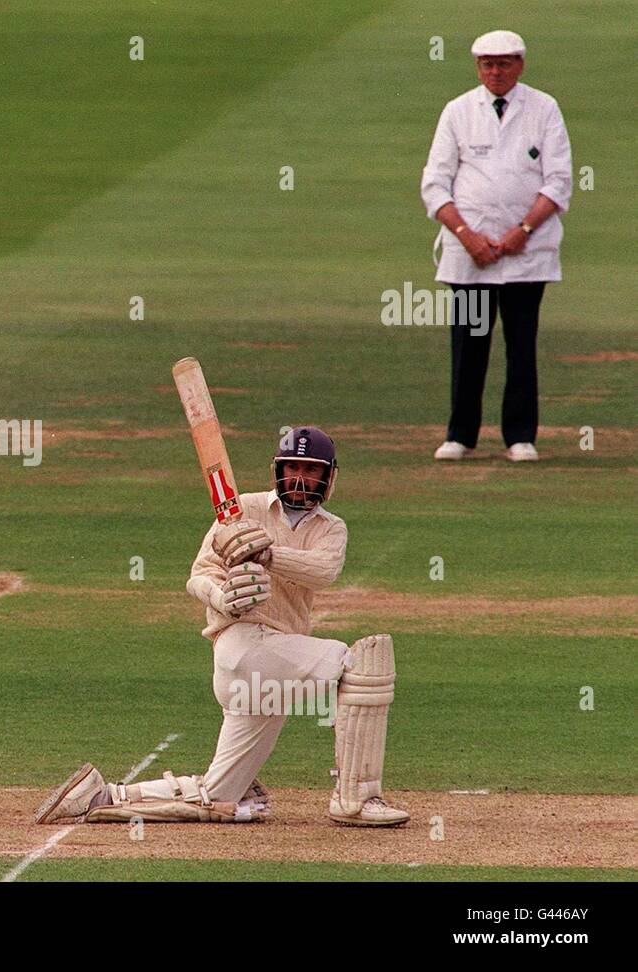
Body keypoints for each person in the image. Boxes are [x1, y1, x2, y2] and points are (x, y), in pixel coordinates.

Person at [35, 427, 409, 828]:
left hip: (275, 666)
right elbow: (198, 575)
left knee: (221, 794)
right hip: (243, 649)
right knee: (358, 664)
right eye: (293, 467)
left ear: (329, 477)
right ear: (277, 471)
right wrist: (222, 597)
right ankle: (356, 799)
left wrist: (266, 554)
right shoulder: (241, 510)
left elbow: (324, 571)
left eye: (311, 470)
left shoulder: (331, 528)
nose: (300, 478)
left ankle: (100, 795)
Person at [421, 29, 573, 462]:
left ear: (520, 64)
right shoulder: (458, 111)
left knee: (521, 343)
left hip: (528, 255)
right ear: (477, 67)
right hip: (470, 256)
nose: (495, 71)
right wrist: (468, 236)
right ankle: (461, 434)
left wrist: (519, 233)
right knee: (470, 341)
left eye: (504, 63)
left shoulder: (544, 108)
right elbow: (434, 185)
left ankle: (520, 435)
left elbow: (559, 181)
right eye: (487, 63)